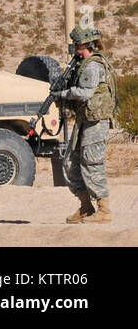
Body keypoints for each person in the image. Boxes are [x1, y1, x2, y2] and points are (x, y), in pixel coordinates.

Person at [57, 27, 118, 224]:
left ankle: (104, 210)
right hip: (85, 120)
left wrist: (64, 94)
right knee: (70, 163)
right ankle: (85, 207)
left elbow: (84, 93)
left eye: (77, 45)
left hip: (95, 122)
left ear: (85, 45)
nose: (75, 49)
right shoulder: (83, 65)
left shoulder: (92, 66)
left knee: (92, 163)